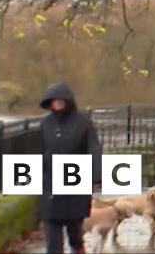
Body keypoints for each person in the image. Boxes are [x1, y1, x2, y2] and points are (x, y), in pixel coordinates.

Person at [37, 82, 101, 254]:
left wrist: (95, 176)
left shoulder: (83, 122)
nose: (57, 103)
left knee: (74, 233)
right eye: (54, 100)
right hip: (50, 184)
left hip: (75, 182)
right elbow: (38, 149)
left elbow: (93, 148)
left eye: (61, 100)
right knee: (52, 236)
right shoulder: (46, 123)